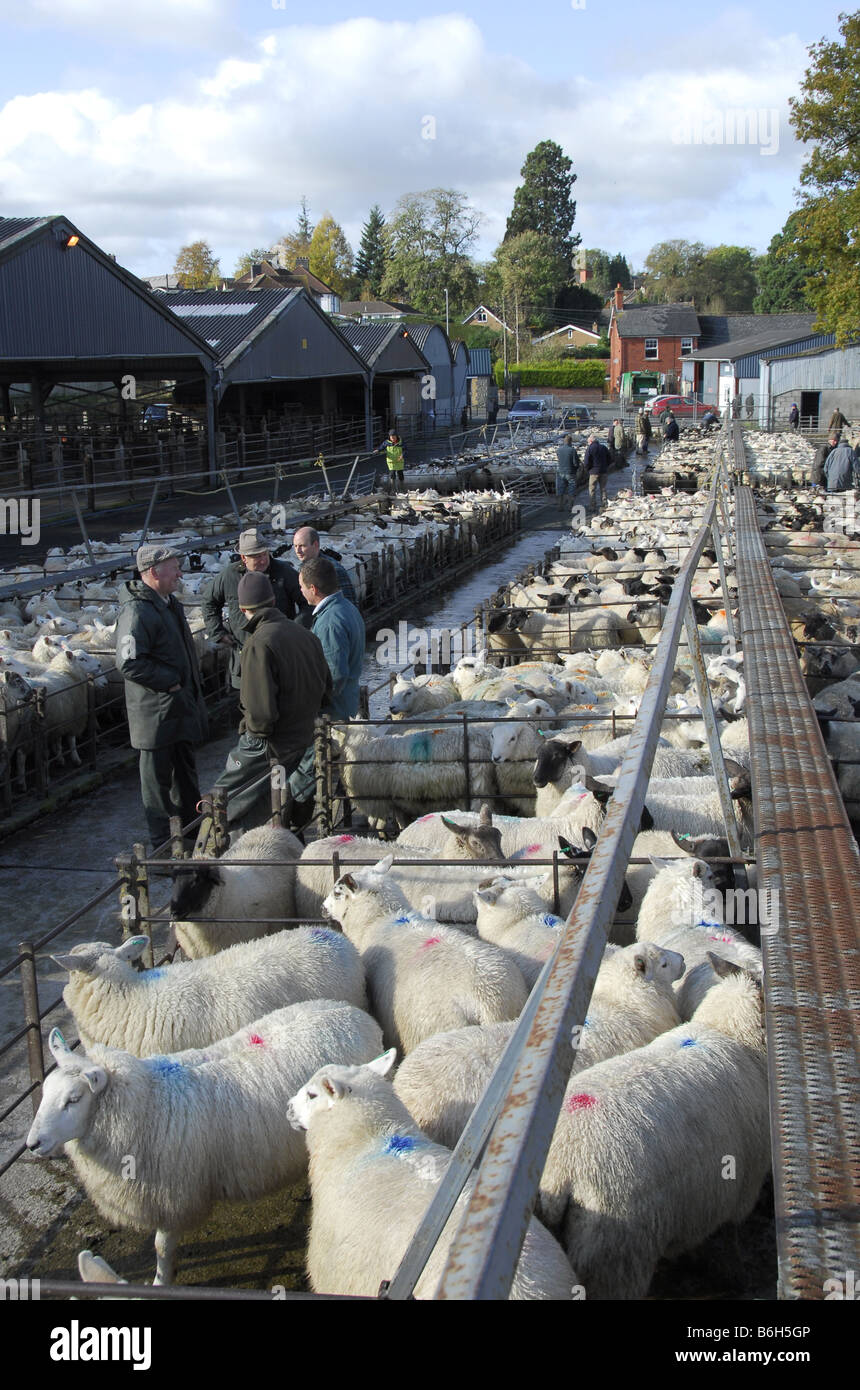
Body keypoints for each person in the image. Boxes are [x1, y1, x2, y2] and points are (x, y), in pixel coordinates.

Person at [213, 572, 331, 830]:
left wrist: (255, 737)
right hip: (301, 739)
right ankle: (283, 837)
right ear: (273, 600)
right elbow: (326, 690)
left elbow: (261, 714)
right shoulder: (307, 635)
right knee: (270, 797)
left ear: (243, 609)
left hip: (271, 744)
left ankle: (216, 851)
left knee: (222, 798)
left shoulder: (258, 644)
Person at [115, 545, 208, 854]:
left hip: (178, 709)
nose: (180, 573)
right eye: (174, 567)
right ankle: (164, 848)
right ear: (154, 572)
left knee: (186, 776)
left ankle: (194, 836)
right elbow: (128, 662)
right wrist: (170, 681)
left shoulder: (169, 604)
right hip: (155, 714)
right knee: (157, 785)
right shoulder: (137, 610)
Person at [287, 555, 366, 833]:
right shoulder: (346, 608)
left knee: (307, 770)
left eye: (301, 586)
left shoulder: (329, 620)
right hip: (345, 703)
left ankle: (294, 824)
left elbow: (335, 674)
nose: (300, 591)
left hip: (331, 711)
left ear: (314, 589)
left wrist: (312, 702)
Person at [202, 527, 306, 690]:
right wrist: (218, 632)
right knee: (249, 704)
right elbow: (209, 602)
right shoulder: (229, 576)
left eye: (265, 554)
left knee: (282, 700)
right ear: (243, 557)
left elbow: (307, 602)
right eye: (256, 557)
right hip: (244, 656)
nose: (264, 560)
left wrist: (295, 629)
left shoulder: (284, 572)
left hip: (280, 653)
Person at [291, 526, 357, 626]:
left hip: (333, 625)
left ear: (316, 545)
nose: (297, 551)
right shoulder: (302, 569)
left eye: (302, 546)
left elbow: (349, 602)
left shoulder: (333, 569)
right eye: (295, 546)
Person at [583, 434, 611, 513]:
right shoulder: (603, 447)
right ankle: (604, 503)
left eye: (588, 442)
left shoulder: (590, 448)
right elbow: (609, 458)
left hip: (593, 472)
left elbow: (586, 462)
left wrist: (588, 469)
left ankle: (592, 505)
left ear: (591, 441)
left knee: (592, 489)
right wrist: (606, 466)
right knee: (603, 488)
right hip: (603, 471)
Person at [555, 434, 580, 509]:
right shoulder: (572, 450)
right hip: (570, 472)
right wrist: (577, 468)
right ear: (570, 442)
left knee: (560, 489)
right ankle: (570, 506)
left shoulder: (558, 450)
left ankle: (560, 506)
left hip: (561, 472)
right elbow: (575, 463)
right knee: (571, 489)